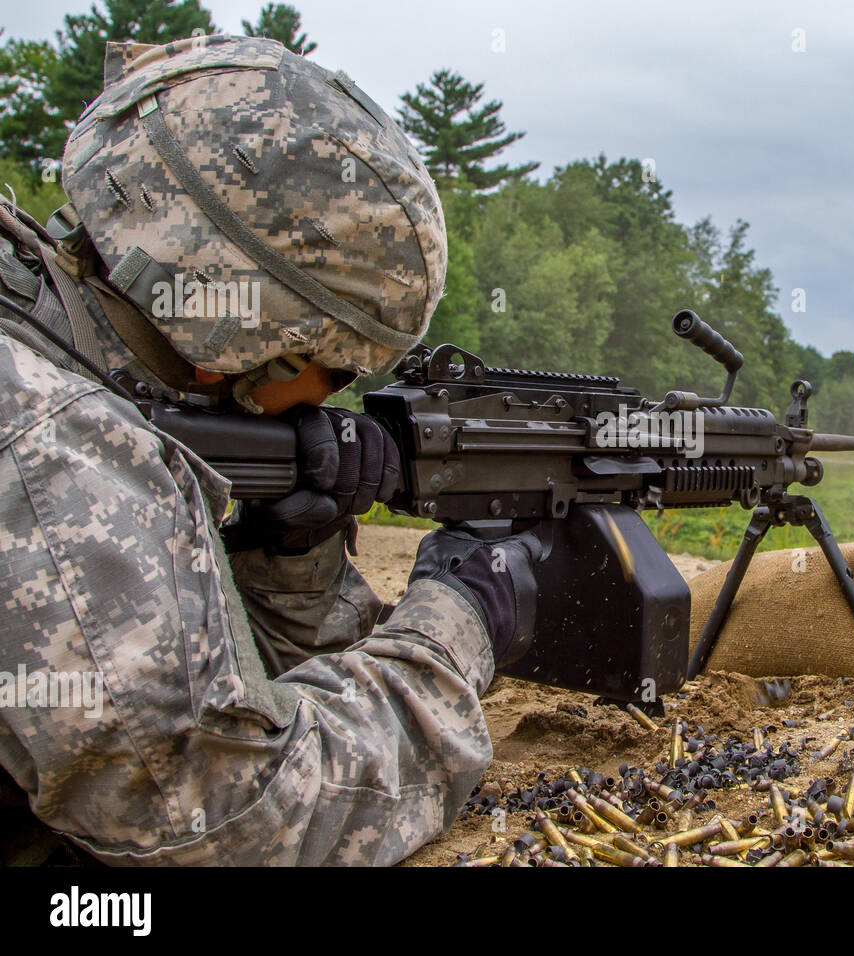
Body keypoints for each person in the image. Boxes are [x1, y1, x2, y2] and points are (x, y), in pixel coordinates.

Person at [0, 34, 537, 865]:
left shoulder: (45, 328)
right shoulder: (55, 447)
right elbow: (236, 823)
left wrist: (283, 559)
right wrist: (455, 626)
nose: (337, 396)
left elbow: (199, 702)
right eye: (338, 366)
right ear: (247, 336)